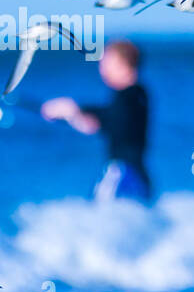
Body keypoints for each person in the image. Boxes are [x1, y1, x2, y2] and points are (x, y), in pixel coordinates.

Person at [41, 38, 152, 202]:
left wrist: (71, 112)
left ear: (122, 64)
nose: (102, 69)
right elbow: (106, 115)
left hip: (123, 172)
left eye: (106, 63)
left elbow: (106, 121)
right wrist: (75, 112)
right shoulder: (139, 95)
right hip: (140, 174)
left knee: (101, 215)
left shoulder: (127, 97)